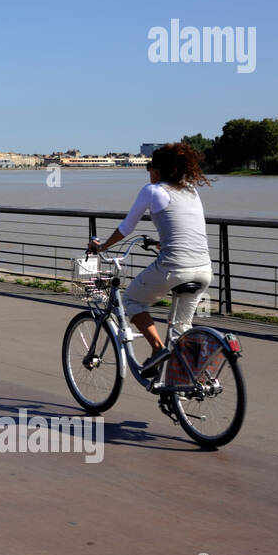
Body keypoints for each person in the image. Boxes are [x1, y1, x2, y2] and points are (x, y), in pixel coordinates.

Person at [87, 143, 212, 382]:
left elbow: (126, 227)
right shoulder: (191, 191)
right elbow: (186, 230)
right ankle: (185, 387)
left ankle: (157, 349)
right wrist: (161, 243)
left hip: (175, 267)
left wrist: (102, 246)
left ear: (158, 169)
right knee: (180, 326)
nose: (148, 172)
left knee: (131, 300)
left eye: (149, 166)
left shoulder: (152, 190)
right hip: (204, 269)